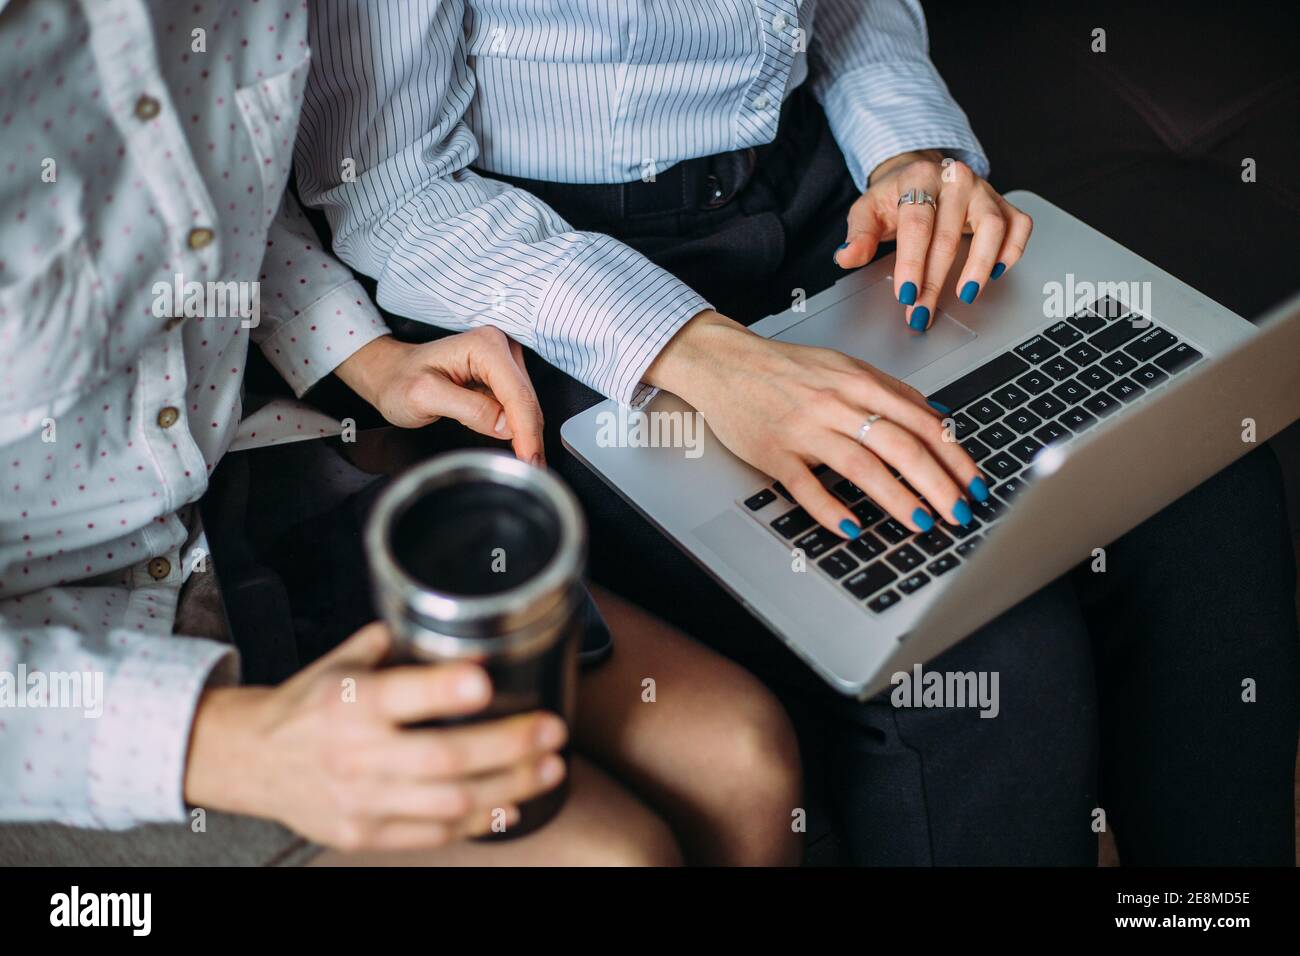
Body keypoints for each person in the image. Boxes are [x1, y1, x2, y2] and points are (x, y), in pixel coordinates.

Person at [296, 0, 1299, 864]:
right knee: (979, 661)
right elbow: (389, 186)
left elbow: (845, 17)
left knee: (1204, 490)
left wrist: (910, 150)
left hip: (819, 182)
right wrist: (700, 351)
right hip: (539, 266)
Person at [0, 0, 802, 867]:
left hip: (244, 492)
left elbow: (206, 200)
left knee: (744, 761)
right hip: (62, 677)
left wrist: (361, 352)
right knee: (610, 855)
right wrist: (229, 743)